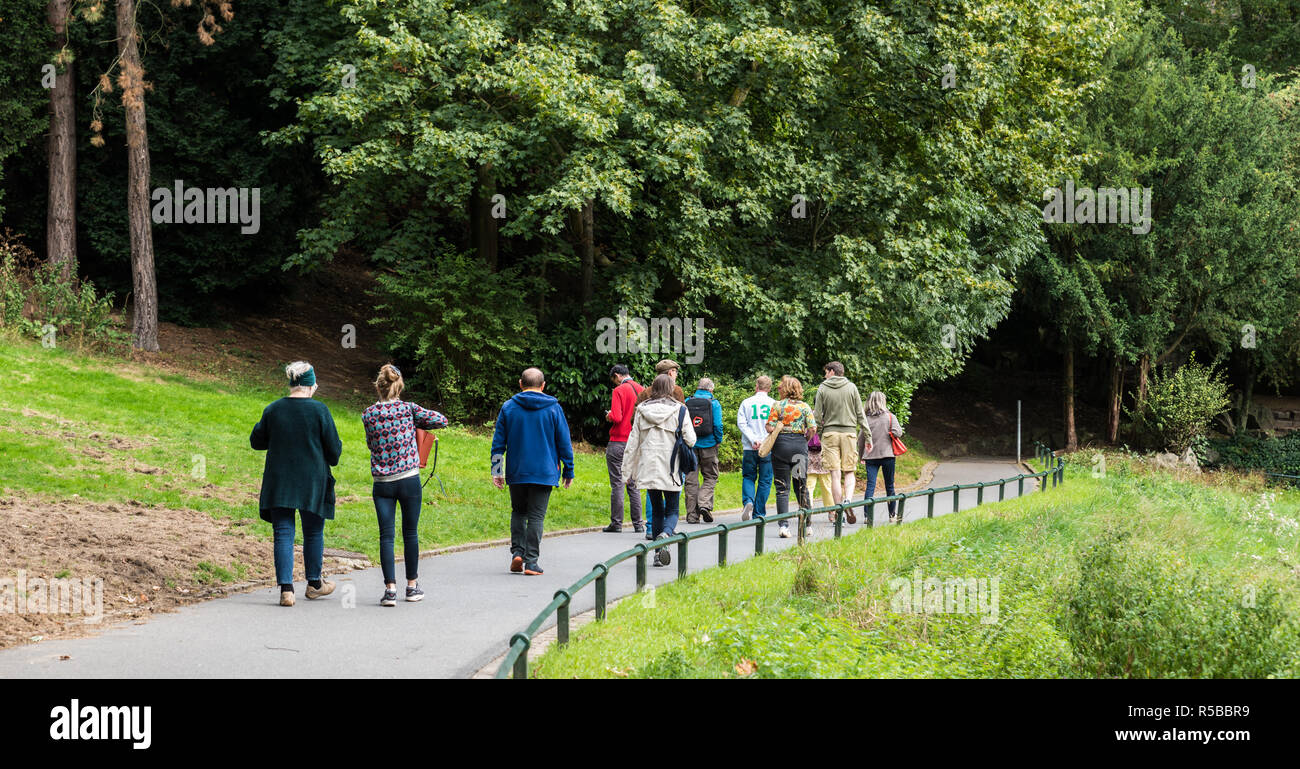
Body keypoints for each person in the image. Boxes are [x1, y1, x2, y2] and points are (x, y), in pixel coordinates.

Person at [250, 361, 342, 607]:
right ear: (311, 386)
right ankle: (314, 584)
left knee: (283, 532)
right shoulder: (320, 411)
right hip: (313, 481)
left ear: (292, 384)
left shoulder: (274, 409)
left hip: (279, 480)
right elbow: (334, 453)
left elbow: (256, 441)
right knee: (313, 531)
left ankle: (286, 590)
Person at [362, 364, 448, 606]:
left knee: (386, 536)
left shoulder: (368, 414)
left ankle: (390, 590)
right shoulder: (409, 409)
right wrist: (418, 425)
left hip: (382, 483)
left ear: (378, 387)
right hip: (409, 479)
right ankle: (411, 586)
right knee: (410, 533)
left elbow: (371, 444)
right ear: (398, 387)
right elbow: (442, 420)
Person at [490, 367, 575, 575]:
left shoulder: (509, 407)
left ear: (521, 383)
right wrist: (568, 470)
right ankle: (531, 562)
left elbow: (498, 443)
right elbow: (564, 442)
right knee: (536, 516)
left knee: (518, 512)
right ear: (543, 385)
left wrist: (497, 470)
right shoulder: (554, 408)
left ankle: (517, 553)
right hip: (545, 471)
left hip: (517, 470)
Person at [623, 374, 697, 567]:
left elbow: (632, 443)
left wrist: (626, 472)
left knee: (656, 510)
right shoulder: (680, 410)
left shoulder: (641, 410)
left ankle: (657, 554)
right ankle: (665, 535)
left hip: (649, 466)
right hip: (671, 466)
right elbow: (691, 439)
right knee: (672, 509)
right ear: (671, 388)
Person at [637, 359, 685, 540]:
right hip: (672, 452)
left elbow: (636, 421)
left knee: (654, 493)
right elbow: (682, 419)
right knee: (672, 499)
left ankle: (651, 528)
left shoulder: (644, 394)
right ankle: (667, 529)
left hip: (649, 450)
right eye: (675, 371)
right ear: (670, 372)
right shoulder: (677, 391)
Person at [812, 361, 865, 524]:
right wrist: (868, 436)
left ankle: (839, 512)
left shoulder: (823, 388)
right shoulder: (852, 387)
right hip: (849, 433)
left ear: (832, 372)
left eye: (826, 372)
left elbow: (817, 415)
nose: (825, 375)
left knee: (835, 473)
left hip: (829, 433)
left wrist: (816, 433)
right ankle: (848, 500)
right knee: (849, 471)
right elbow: (860, 413)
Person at [764, 375, 816, 538]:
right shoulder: (805, 407)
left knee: (782, 487)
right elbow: (813, 428)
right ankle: (807, 524)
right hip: (799, 448)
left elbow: (769, 428)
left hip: (781, 447)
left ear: (785, 389)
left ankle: (784, 526)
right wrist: (805, 439)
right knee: (800, 485)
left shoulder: (778, 406)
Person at [603, 365, 644, 533]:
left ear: (617, 376)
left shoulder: (619, 390)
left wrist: (609, 415)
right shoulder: (642, 390)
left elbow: (618, 417)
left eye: (614, 379)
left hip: (619, 441)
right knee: (633, 484)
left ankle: (617, 523)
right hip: (636, 442)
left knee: (618, 483)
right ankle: (638, 524)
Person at [857, 390, 905, 522]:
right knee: (890, 486)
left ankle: (867, 516)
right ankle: (892, 515)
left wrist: (861, 456)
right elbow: (898, 432)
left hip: (871, 457)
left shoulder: (866, 419)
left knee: (870, 486)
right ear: (882, 402)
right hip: (887, 455)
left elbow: (860, 440)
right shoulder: (890, 417)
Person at [683, 377, 724, 524]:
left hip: (690, 446)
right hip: (709, 446)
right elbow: (718, 425)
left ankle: (692, 516)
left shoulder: (687, 402)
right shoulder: (714, 403)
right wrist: (718, 440)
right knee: (711, 476)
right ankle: (704, 504)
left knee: (691, 480)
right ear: (711, 389)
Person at [737, 375, 775, 521]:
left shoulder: (746, 403)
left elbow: (742, 424)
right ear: (769, 388)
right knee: (765, 480)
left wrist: (753, 439)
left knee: (748, 476)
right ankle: (759, 512)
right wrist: (764, 441)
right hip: (768, 447)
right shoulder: (774, 403)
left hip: (749, 447)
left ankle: (748, 501)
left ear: (756, 386)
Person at [806, 431, 834, 529]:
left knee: (810, 487)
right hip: (821, 453)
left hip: (814, 455)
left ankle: (809, 510)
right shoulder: (827, 416)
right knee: (826, 486)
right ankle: (831, 511)